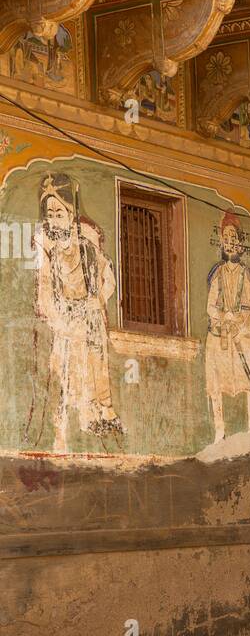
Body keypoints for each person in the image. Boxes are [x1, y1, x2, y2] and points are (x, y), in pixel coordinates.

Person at [35, 172, 123, 452]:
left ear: (71, 212)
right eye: (49, 213)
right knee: (64, 377)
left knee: (95, 375)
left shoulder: (87, 242)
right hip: (65, 321)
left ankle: (97, 425)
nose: (54, 218)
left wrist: (95, 302)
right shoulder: (47, 246)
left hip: (90, 319)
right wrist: (59, 320)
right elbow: (45, 289)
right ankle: (60, 436)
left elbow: (107, 280)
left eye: (59, 212)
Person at [205, 212, 250, 442]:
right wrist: (222, 315)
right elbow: (210, 306)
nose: (230, 241)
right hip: (222, 332)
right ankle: (220, 430)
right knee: (215, 379)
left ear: (240, 243)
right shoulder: (217, 274)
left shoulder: (245, 275)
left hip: (241, 332)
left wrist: (242, 324)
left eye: (233, 237)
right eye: (226, 236)